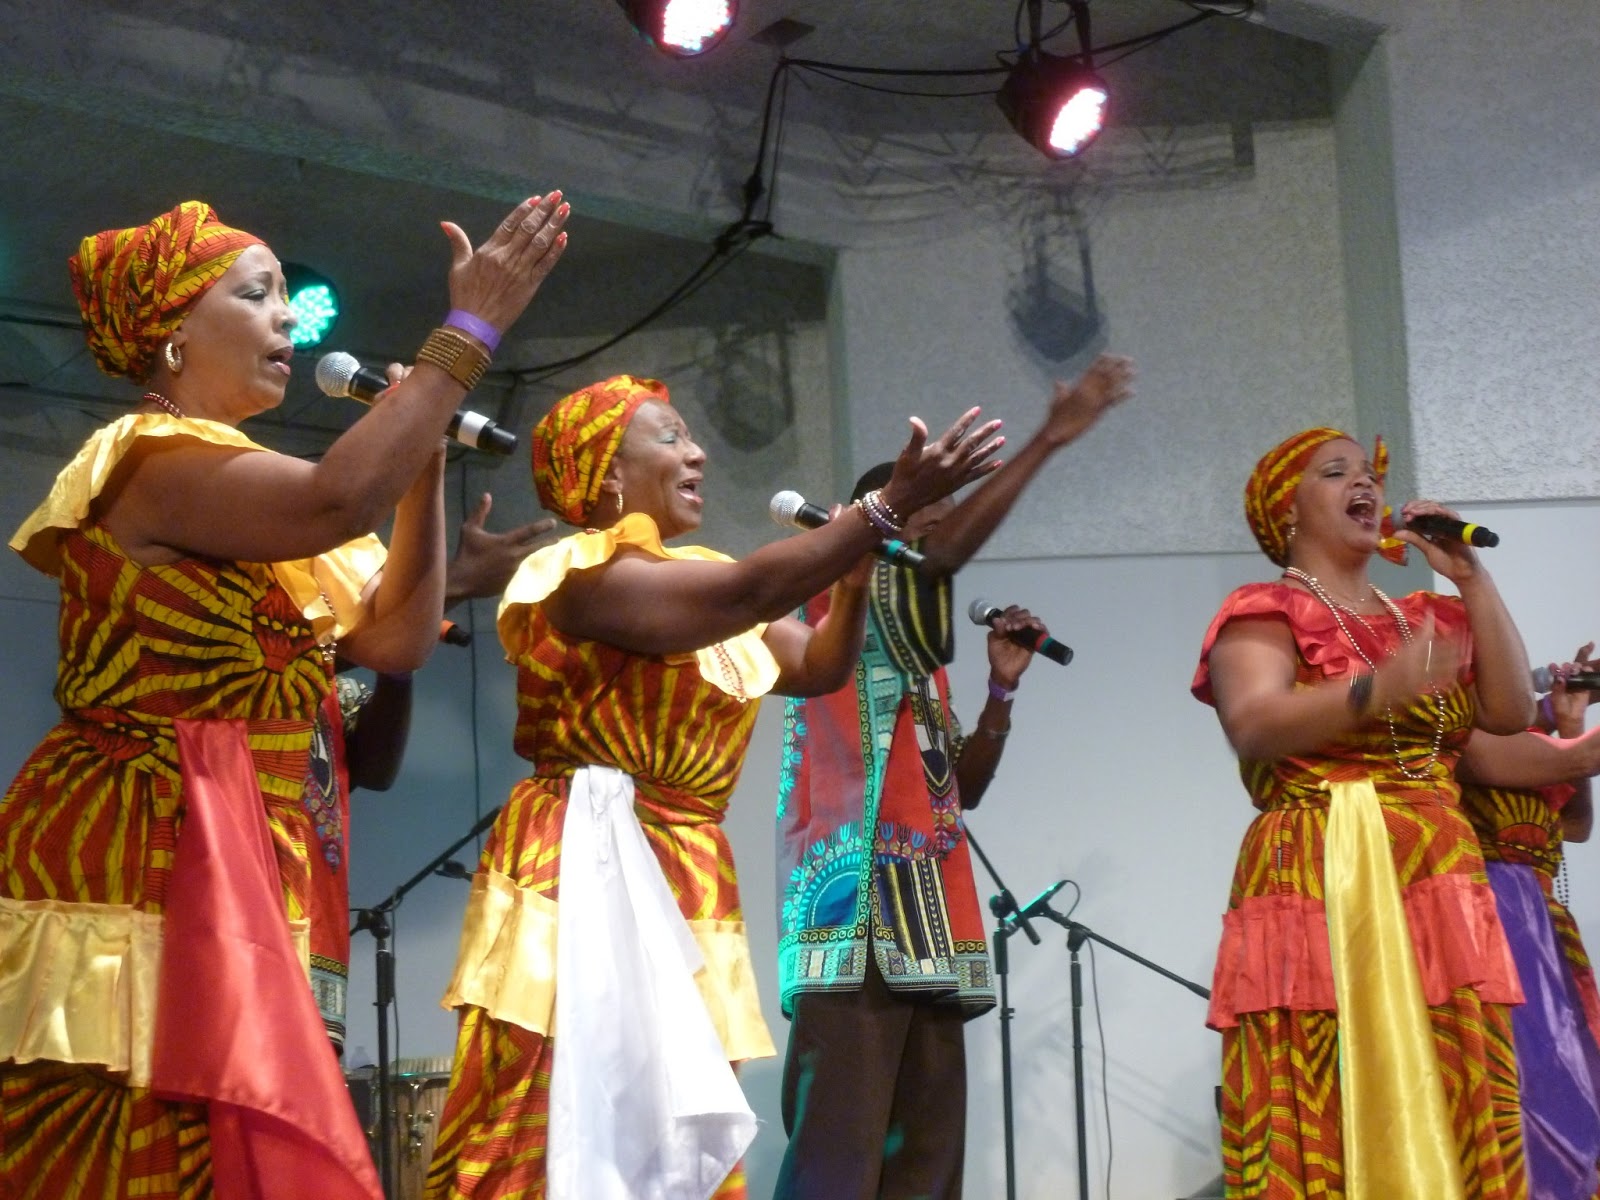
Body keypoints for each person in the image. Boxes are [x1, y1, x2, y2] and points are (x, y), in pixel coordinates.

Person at [0, 194, 568, 1200]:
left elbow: (393, 638)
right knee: (136, 1148)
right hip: (146, 842)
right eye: (257, 296)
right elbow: (333, 498)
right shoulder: (148, 459)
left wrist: (425, 449)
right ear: (173, 331)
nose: (285, 322)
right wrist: (467, 331)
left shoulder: (249, 483)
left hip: (243, 842)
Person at [424, 374, 1003, 1200]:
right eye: (669, 436)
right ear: (609, 474)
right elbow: (746, 593)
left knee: (674, 1128)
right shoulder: (578, 573)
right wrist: (879, 509)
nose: (696, 452)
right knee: (563, 1099)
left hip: (686, 859)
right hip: (586, 855)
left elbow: (814, 665)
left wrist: (851, 572)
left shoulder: (696, 572)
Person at [772, 353, 1135, 1200]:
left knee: (927, 1166)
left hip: (930, 920)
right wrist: (1046, 440)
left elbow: (957, 791)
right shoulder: (837, 600)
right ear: (881, 524)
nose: (944, 531)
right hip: (852, 912)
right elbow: (933, 563)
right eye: (927, 513)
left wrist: (1001, 689)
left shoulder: (919, 648)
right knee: (838, 1162)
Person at [1193, 426, 1535, 1199]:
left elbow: (1511, 712)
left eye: (1369, 474)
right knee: (1326, 1067)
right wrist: (1370, 692)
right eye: (1334, 472)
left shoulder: (1427, 614)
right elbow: (1253, 721)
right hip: (1318, 860)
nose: (1365, 485)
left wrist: (1471, 580)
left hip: (1435, 869)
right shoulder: (1261, 609)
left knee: (1454, 1065)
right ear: (1287, 510)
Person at [1459, 645, 1600, 1200]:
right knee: (1525, 1076)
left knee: (1572, 1067)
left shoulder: (1540, 746)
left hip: (1541, 920)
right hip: (1489, 914)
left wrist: (1569, 721)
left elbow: (1576, 825)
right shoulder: (1463, 746)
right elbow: (1573, 762)